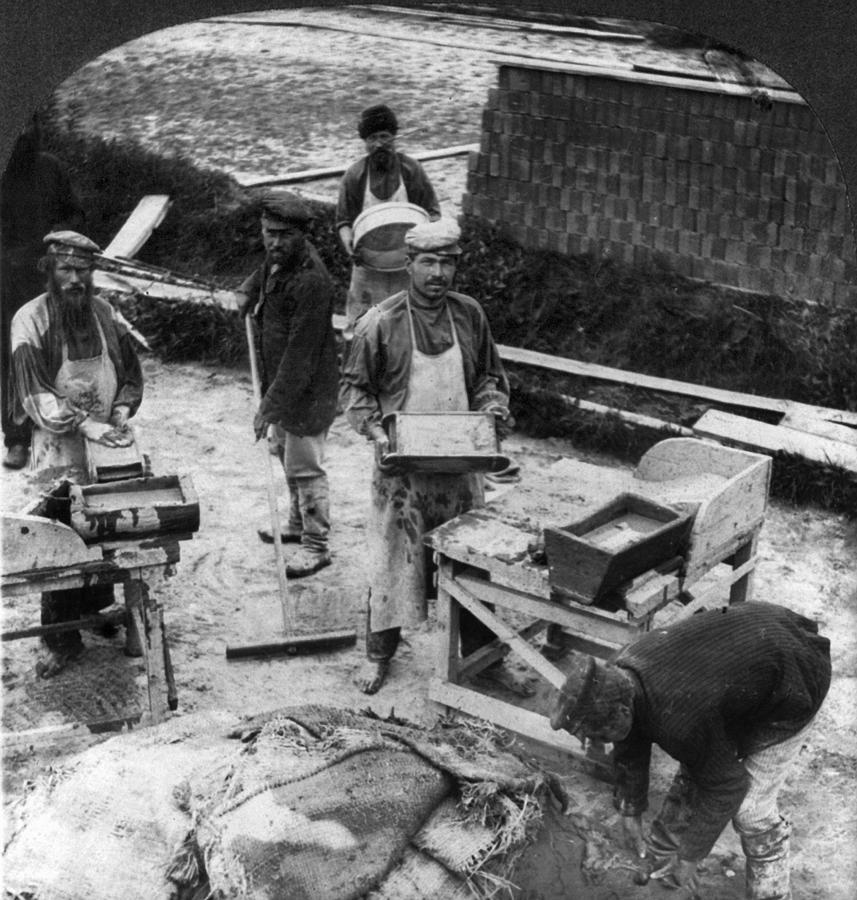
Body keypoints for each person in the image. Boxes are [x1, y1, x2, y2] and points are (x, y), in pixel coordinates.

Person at [341, 218, 520, 695]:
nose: (437, 272)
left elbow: (487, 378)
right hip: (402, 474)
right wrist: (377, 432)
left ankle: (485, 663)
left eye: (446, 262)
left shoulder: (470, 315)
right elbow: (355, 391)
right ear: (408, 265)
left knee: (471, 564)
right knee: (393, 563)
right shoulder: (380, 322)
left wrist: (493, 407)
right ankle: (379, 655)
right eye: (428, 262)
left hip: (460, 467)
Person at [549, 601, 831, 900]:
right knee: (700, 760)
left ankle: (772, 893)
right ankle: (663, 865)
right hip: (744, 664)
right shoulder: (620, 677)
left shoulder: (679, 718)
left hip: (796, 677)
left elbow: (728, 786)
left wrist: (692, 856)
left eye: (601, 734)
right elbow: (631, 736)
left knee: (750, 810)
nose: (603, 741)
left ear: (621, 711)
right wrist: (630, 807)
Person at [9, 230, 144, 677]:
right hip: (57, 447)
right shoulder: (29, 321)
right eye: (65, 269)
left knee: (106, 531)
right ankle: (60, 637)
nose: (74, 279)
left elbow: (130, 370)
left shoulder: (106, 313)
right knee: (60, 537)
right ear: (49, 270)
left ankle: (98, 613)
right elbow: (35, 397)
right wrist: (87, 424)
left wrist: (122, 408)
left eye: (83, 270)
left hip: (106, 448)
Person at [238, 190, 339, 578]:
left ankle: (317, 546)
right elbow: (264, 271)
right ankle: (297, 525)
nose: (274, 243)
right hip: (280, 382)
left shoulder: (312, 282)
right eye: (268, 232)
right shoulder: (279, 259)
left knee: (306, 466)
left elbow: (300, 359)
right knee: (285, 454)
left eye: (283, 235)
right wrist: (247, 290)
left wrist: (267, 408)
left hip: (309, 391)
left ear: (302, 235)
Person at [2, 114, 85, 469]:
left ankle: (65, 424)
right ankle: (17, 438)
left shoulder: (51, 169)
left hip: (52, 281)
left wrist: (58, 239)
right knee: (13, 358)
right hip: (8, 283)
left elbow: (75, 216)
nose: (24, 132)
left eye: (29, 124)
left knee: (62, 352)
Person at [336, 103, 441, 341]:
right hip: (367, 264)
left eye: (384, 136)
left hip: (405, 263)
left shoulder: (411, 170)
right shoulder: (355, 175)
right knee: (361, 329)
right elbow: (343, 221)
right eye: (372, 138)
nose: (379, 144)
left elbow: (433, 213)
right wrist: (349, 244)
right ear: (365, 142)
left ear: (395, 138)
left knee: (406, 328)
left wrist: (424, 242)